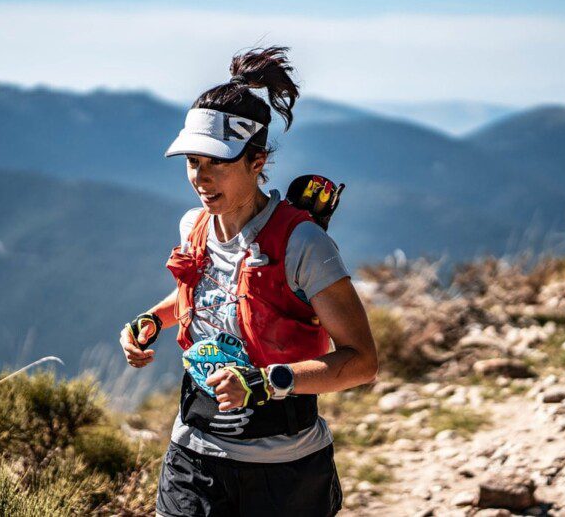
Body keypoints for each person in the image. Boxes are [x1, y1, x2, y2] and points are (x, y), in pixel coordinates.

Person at [118, 46, 378, 517]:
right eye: (193, 161)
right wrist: (150, 322)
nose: (201, 177)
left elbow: (361, 362)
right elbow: (202, 298)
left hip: (286, 470)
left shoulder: (302, 244)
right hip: (194, 455)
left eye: (217, 162)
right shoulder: (193, 227)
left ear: (257, 161)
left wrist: (263, 383)